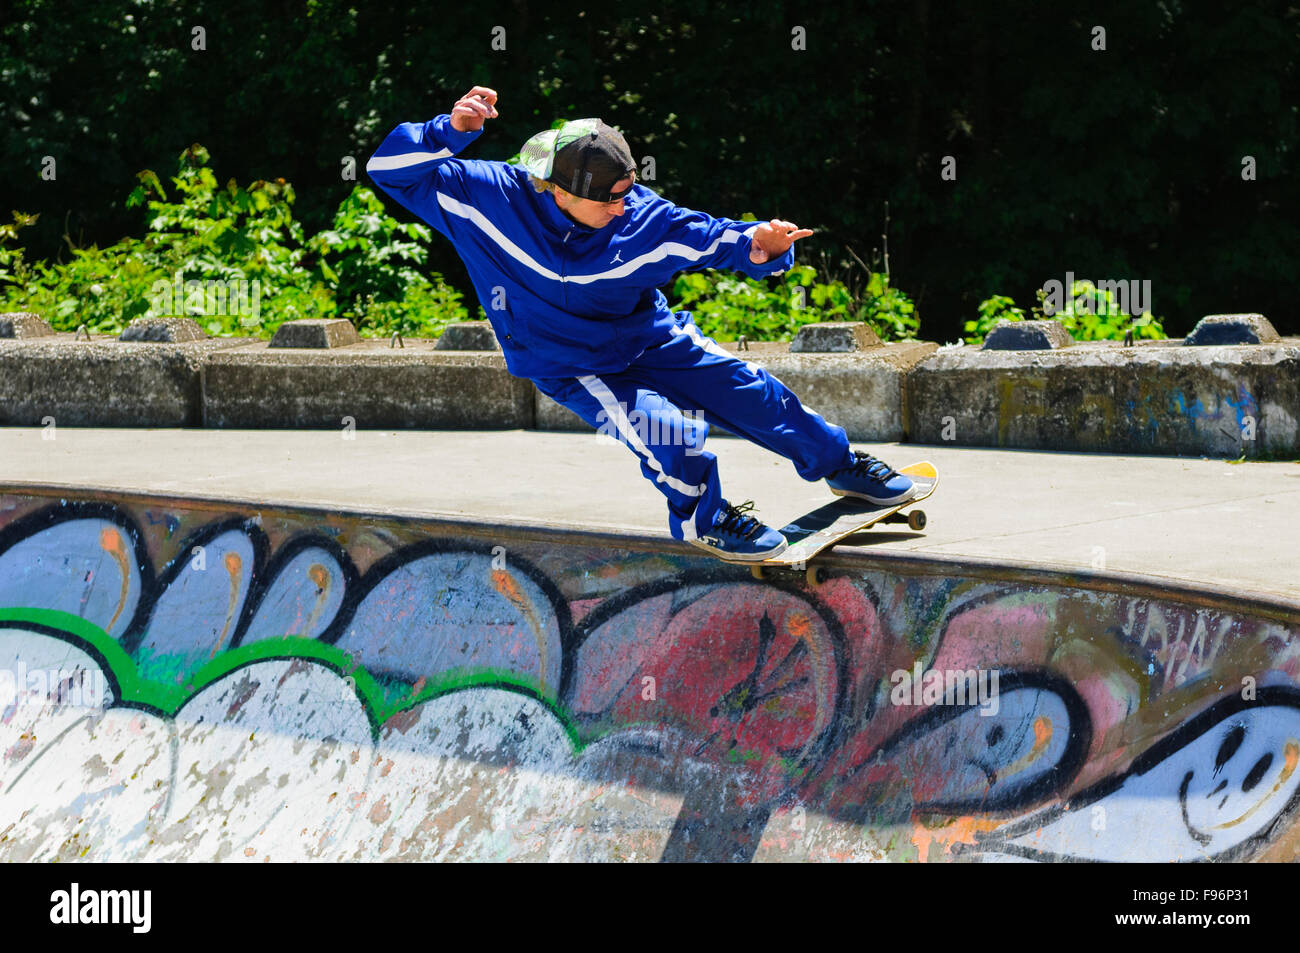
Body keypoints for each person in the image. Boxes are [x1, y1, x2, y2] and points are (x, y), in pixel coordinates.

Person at [367, 85, 917, 561]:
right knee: (671, 435)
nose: (624, 208)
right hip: (570, 364)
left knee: (753, 391)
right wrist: (451, 129)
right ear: (559, 191)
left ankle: (841, 464)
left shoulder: (641, 219)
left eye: (628, 191)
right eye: (609, 199)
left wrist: (758, 245)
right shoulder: (486, 198)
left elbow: (708, 235)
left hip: (651, 338)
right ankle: (706, 518)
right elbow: (387, 170)